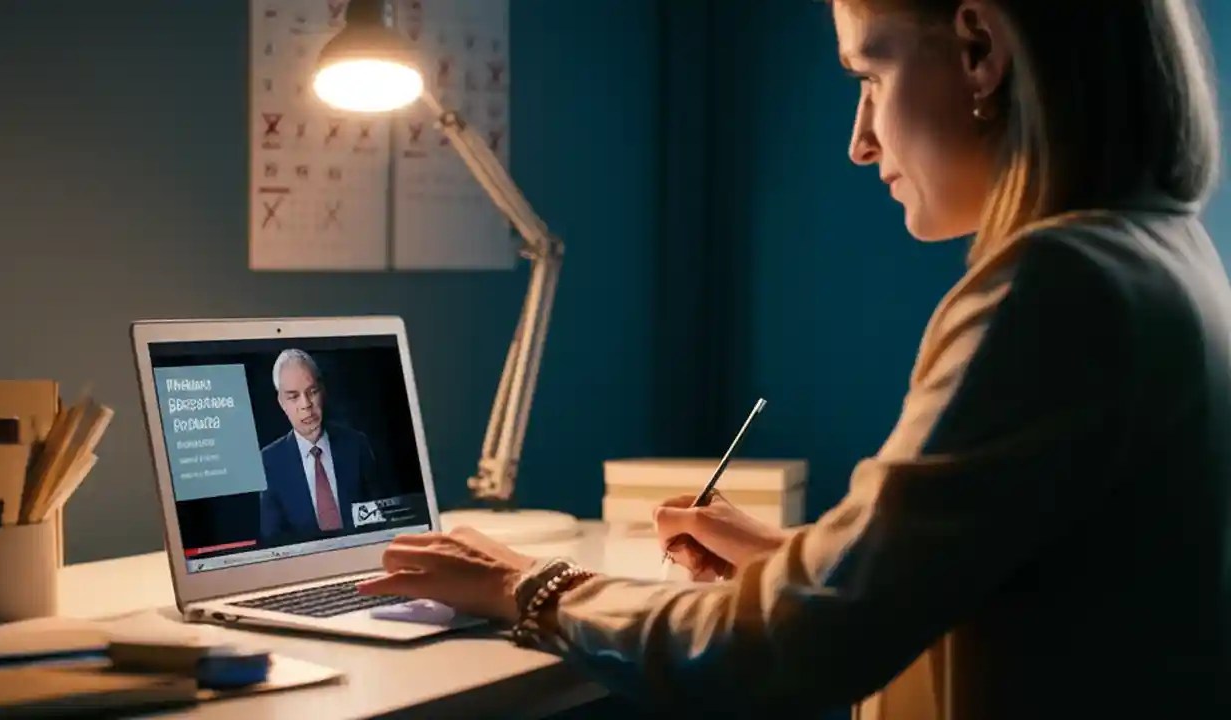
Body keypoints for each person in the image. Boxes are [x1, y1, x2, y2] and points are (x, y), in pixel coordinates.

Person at [356, 1, 1230, 717]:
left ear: (979, 50)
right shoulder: (1162, 255)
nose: (859, 140)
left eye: (869, 76)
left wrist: (531, 587)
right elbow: (1036, 586)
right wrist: (802, 558)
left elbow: (788, 656)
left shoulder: (1054, 289)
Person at [260, 349, 397, 542]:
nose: (306, 404)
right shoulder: (269, 461)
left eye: (312, 392)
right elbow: (272, 540)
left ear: (322, 391)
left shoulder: (356, 444)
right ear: (282, 402)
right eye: (293, 397)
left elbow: (382, 519)